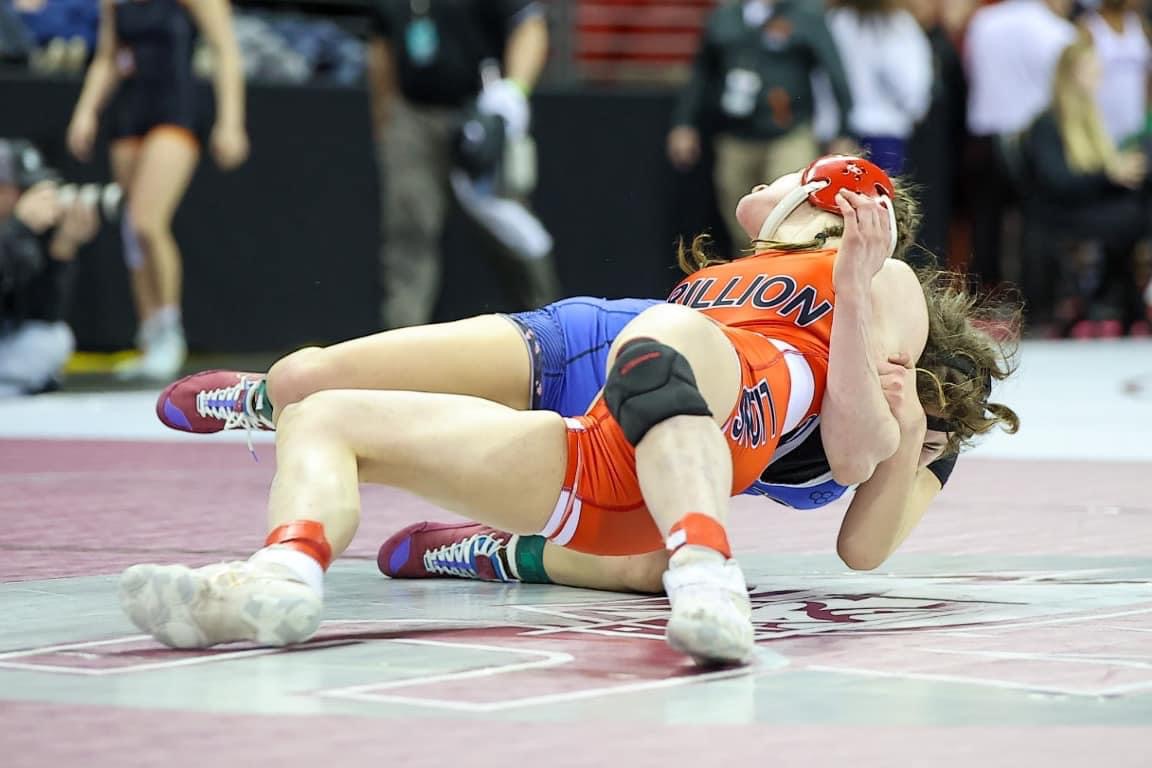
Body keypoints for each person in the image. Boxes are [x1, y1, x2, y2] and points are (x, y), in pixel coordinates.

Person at [122, 158, 1008, 666]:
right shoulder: (745, 275)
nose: (765, 182)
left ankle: (667, 568)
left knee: (669, 361)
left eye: (791, 176)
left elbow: (860, 480)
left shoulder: (872, 294)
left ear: (833, 204)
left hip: (674, 383)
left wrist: (860, 294)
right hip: (614, 390)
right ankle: (279, 553)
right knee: (314, 396)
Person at [66, 0, 248, 381]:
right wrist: (86, 110)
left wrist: (231, 122)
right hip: (131, 107)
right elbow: (107, 57)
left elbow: (224, 49)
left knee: (149, 221)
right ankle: (149, 334)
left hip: (176, 104)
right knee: (132, 229)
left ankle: (170, 330)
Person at [366, 0, 561, 329]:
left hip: (481, 111)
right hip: (413, 114)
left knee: (509, 225)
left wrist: (512, 93)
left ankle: (549, 328)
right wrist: (384, 116)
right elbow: (380, 48)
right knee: (409, 226)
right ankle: (402, 339)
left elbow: (530, 27)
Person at [668, 0, 856, 257]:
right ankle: (753, 276)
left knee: (791, 209)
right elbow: (702, 73)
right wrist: (684, 123)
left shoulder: (805, 15)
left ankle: (792, 276)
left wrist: (844, 130)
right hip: (735, 136)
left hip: (787, 135)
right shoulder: (725, 17)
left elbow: (835, 71)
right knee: (740, 216)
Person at [1024, 36, 1150, 335]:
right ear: (1070, 73)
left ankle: (1120, 300)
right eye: (1091, 68)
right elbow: (1058, 183)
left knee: (1140, 207)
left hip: (1086, 206)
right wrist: (1108, 175)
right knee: (1136, 218)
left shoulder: (1092, 118)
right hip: (1060, 214)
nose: (1099, 75)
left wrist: (1123, 174)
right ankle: (1120, 300)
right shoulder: (1047, 123)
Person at [0, 138, 100, 396]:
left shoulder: (22, 238)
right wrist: (17, 230)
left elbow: (42, 315)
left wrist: (62, 250)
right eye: (23, 190)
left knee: (53, 339)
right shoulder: (15, 234)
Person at [820, 0, 933, 176]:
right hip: (870, 130)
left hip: (867, 132)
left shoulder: (837, 22)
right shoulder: (897, 25)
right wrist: (915, 109)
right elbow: (911, 84)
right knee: (878, 199)